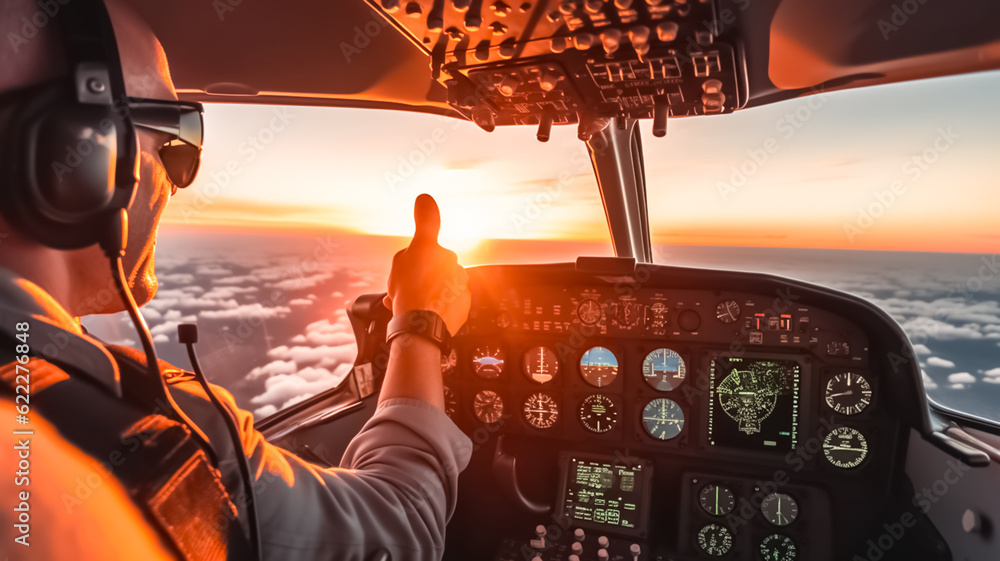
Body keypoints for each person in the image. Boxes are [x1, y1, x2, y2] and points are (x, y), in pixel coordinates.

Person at [0, 0, 472, 559]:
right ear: (84, 157)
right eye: (175, 136)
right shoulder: (152, 435)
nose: (179, 180)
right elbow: (401, 527)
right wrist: (419, 320)